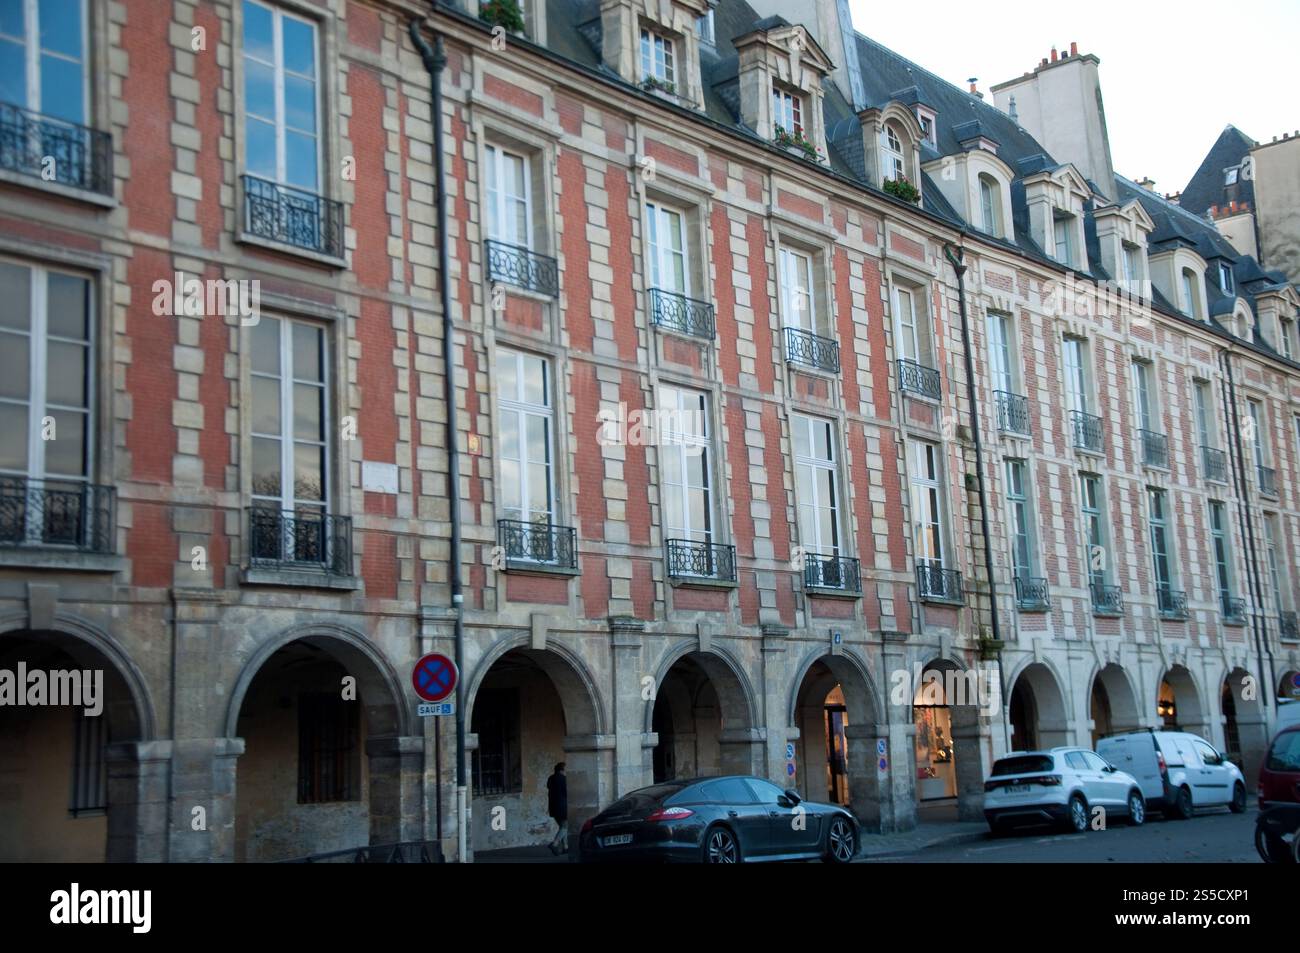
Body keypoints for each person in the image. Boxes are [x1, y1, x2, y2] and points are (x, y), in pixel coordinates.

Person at [546, 762, 567, 856]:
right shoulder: (563, 779)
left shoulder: (551, 778)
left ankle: (566, 847)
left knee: (563, 827)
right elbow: (567, 793)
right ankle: (555, 844)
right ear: (562, 770)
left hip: (553, 807)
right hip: (562, 807)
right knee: (565, 827)